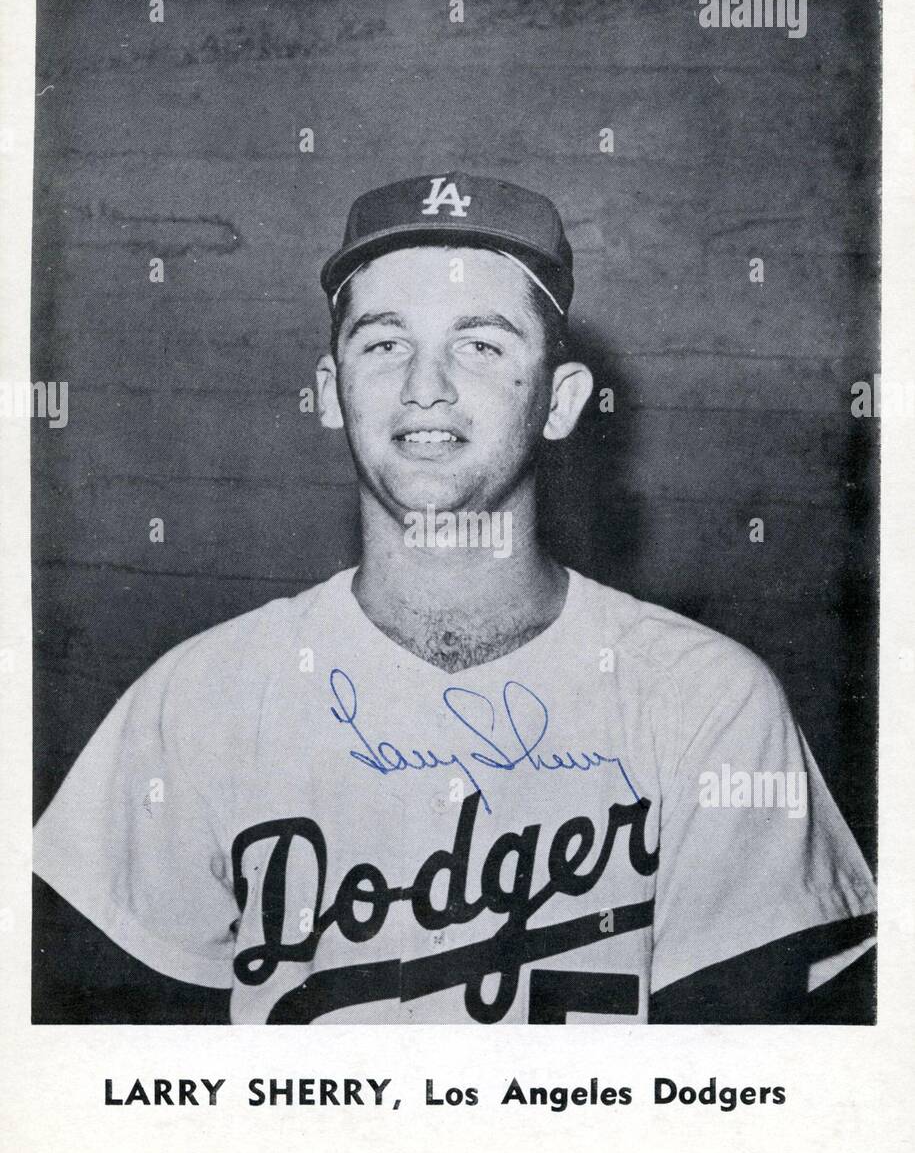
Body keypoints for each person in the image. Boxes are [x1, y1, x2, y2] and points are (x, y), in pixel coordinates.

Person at [32, 171, 877, 1025]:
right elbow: (133, 1088)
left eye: (480, 344)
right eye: (384, 343)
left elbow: (731, 1112)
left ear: (561, 400)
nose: (424, 385)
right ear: (330, 392)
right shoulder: (193, 701)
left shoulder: (712, 703)